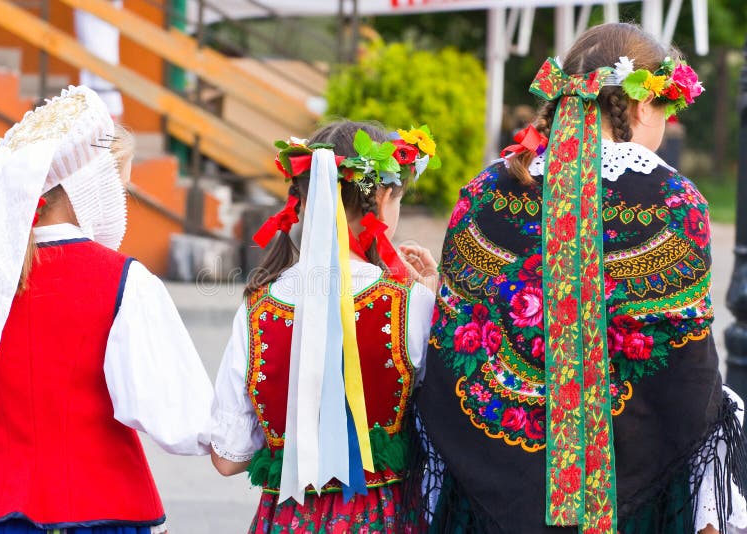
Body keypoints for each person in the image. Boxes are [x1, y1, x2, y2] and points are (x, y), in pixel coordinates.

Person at [409, 23, 747, 534]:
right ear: (641, 105)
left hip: (489, 482)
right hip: (627, 495)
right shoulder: (675, 201)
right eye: (667, 109)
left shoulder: (483, 192)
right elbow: (683, 365)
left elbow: (457, 336)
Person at [0, 86, 215, 533]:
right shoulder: (125, 281)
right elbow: (174, 413)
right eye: (120, 190)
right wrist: (235, 437)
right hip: (102, 511)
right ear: (93, 188)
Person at [209, 120, 438, 532]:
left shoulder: (258, 308)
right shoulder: (410, 304)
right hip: (382, 518)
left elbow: (227, 458)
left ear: (302, 200)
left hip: (286, 519)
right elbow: (444, 425)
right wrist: (435, 297)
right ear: (382, 197)